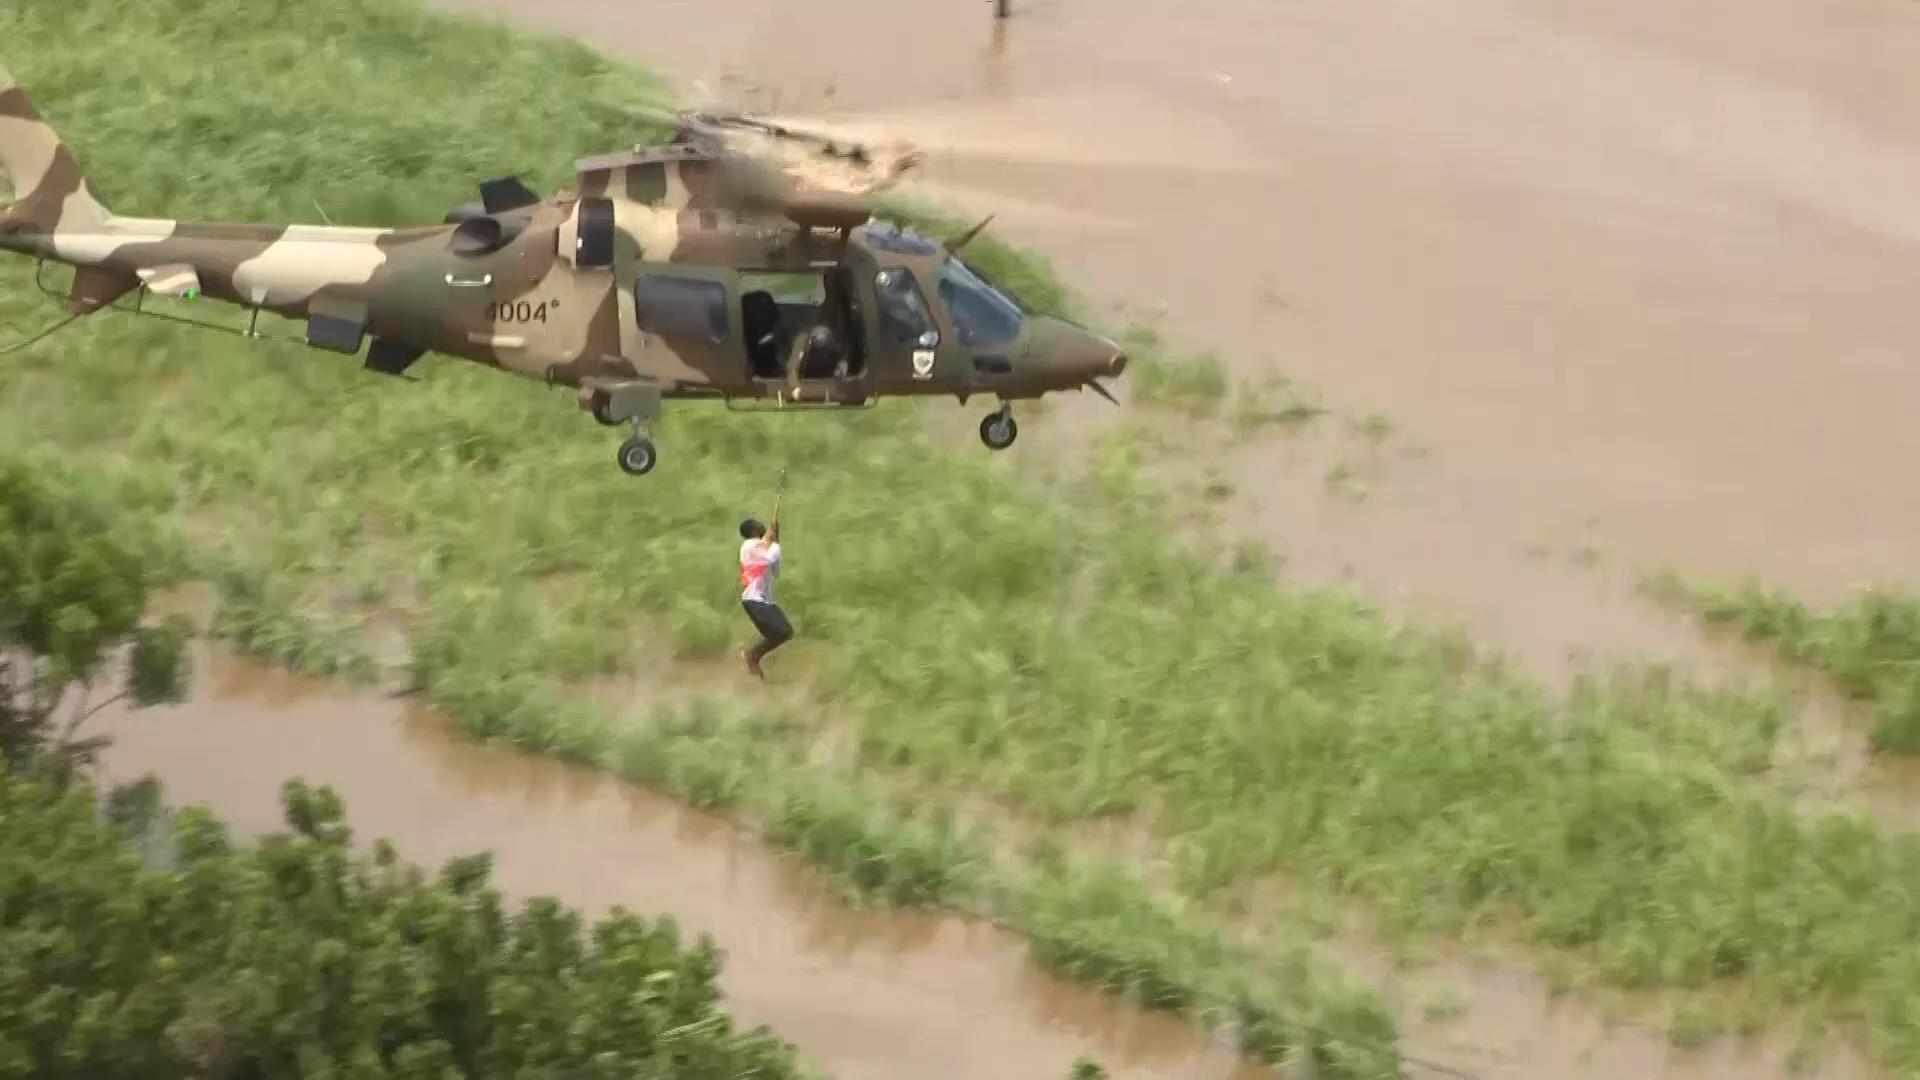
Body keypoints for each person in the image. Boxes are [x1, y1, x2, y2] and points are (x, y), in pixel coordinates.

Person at [737, 505, 793, 679]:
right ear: (753, 529)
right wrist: (774, 540)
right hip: (754, 600)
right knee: (781, 632)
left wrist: (776, 538)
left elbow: (775, 568)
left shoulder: (760, 546)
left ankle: (753, 656)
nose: (763, 526)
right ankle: (752, 656)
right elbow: (769, 556)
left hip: (763, 601)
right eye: (759, 524)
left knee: (784, 632)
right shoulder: (749, 545)